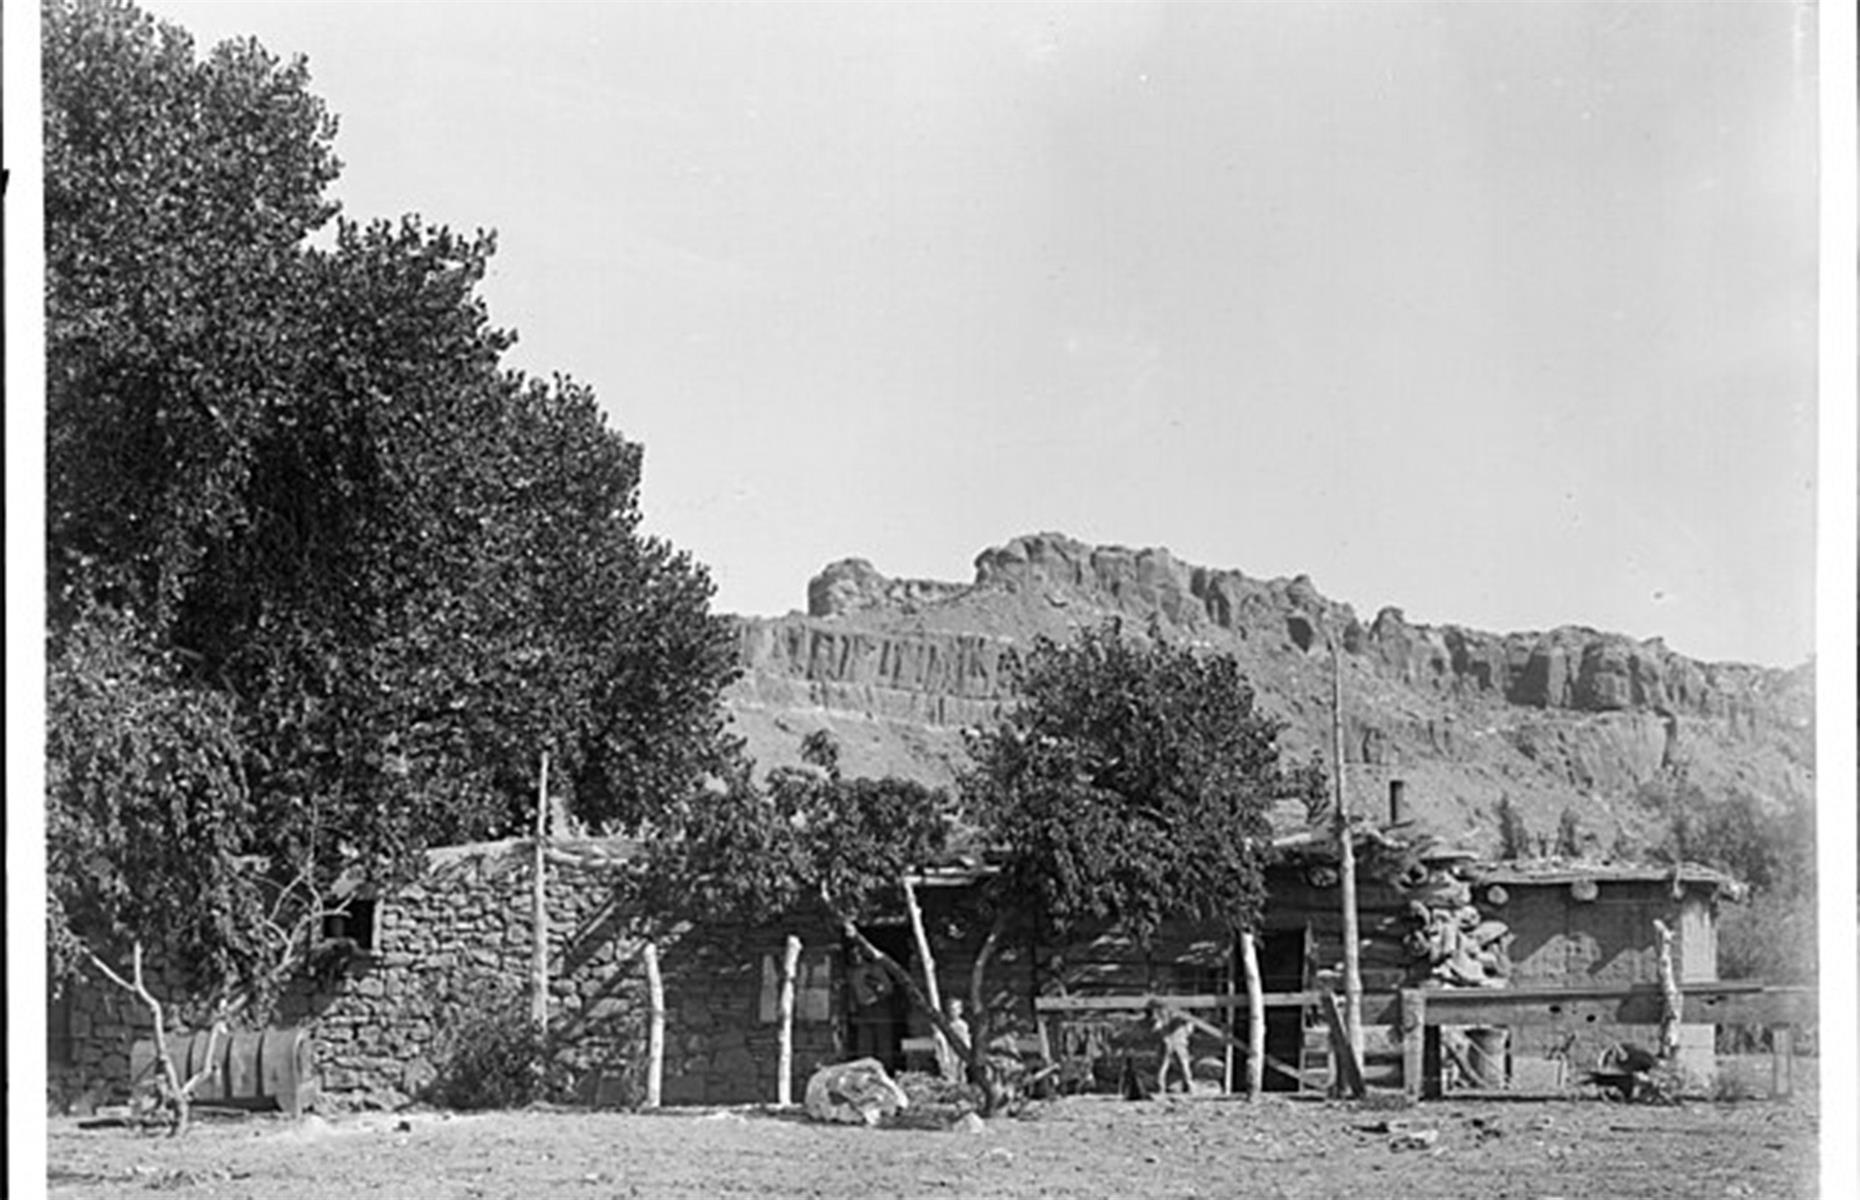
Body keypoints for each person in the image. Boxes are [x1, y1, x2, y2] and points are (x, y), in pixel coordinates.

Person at [1148, 999, 1195, 1095]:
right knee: (1180, 1064)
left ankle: (1162, 1088)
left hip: (1173, 1040)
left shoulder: (1162, 1012)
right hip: (1174, 1040)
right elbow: (1190, 1027)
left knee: (1168, 1065)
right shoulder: (1164, 1012)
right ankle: (1188, 1087)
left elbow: (1157, 1026)